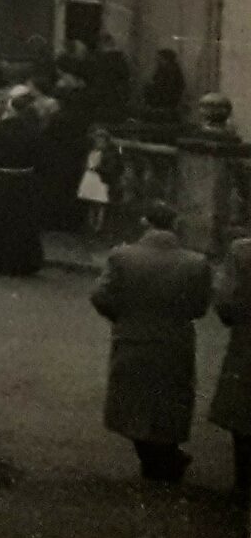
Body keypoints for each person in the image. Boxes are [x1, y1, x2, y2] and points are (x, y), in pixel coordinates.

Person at [90, 202, 212, 484]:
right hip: (175, 341)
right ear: (176, 226)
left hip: (133, 337)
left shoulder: (123, 256)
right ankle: (166, 460)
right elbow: (199, 307)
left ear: (145, 223)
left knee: (133, 404)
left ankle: (159, 463)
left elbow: (100, 295)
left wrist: (121, 317)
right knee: (167, 404)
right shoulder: (195, 263)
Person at [0, 88, 47, 278]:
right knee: (22, 223)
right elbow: (43, 160)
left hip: (2, 182)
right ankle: (22, 261)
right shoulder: (34, 133)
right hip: (24, 182)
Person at [209, 228, 251, 505]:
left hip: (247, 344)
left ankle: (244, 483)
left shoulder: (242, 251)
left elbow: (225, 302)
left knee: (244, 411)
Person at [77, 124, 121, 235]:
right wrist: (86, 168)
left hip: (101, 180)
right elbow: (85, 163)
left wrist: (98, 169)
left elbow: (111, 168)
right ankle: (91, 224)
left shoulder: (109, 154)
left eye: (101, 140)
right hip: (91, 178)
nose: (99, 142)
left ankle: (99, 226)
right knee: (91, 202)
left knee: (101, 203)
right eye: (97, 139)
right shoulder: (92, 151)